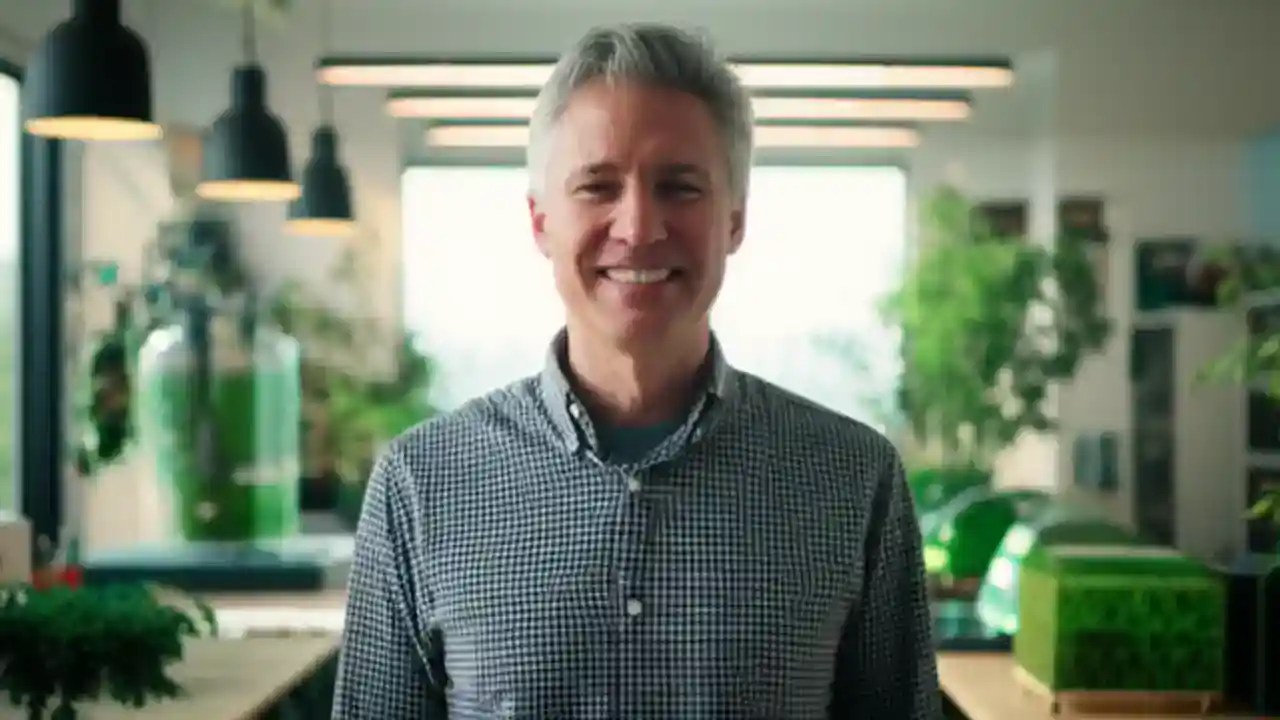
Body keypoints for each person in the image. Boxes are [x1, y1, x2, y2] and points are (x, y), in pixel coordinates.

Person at [332, 22, 940, 719]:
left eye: (679, 187)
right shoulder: (422, 484)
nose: (639, 226)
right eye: (597, 186)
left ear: (735, 219)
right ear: (540, 222)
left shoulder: (853, 479)